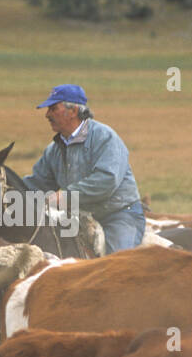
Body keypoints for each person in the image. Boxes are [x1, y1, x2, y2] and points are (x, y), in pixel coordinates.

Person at [21, 84, 145, 253]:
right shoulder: (54, 149)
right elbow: (37, 184)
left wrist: (65, 197)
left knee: (114, 266)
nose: (47, 115)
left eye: (53, 108)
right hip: (79, 217)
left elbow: (106, 181)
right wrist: (7, 190)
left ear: (73, 111)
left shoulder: (104, 137)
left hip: (118, 215)